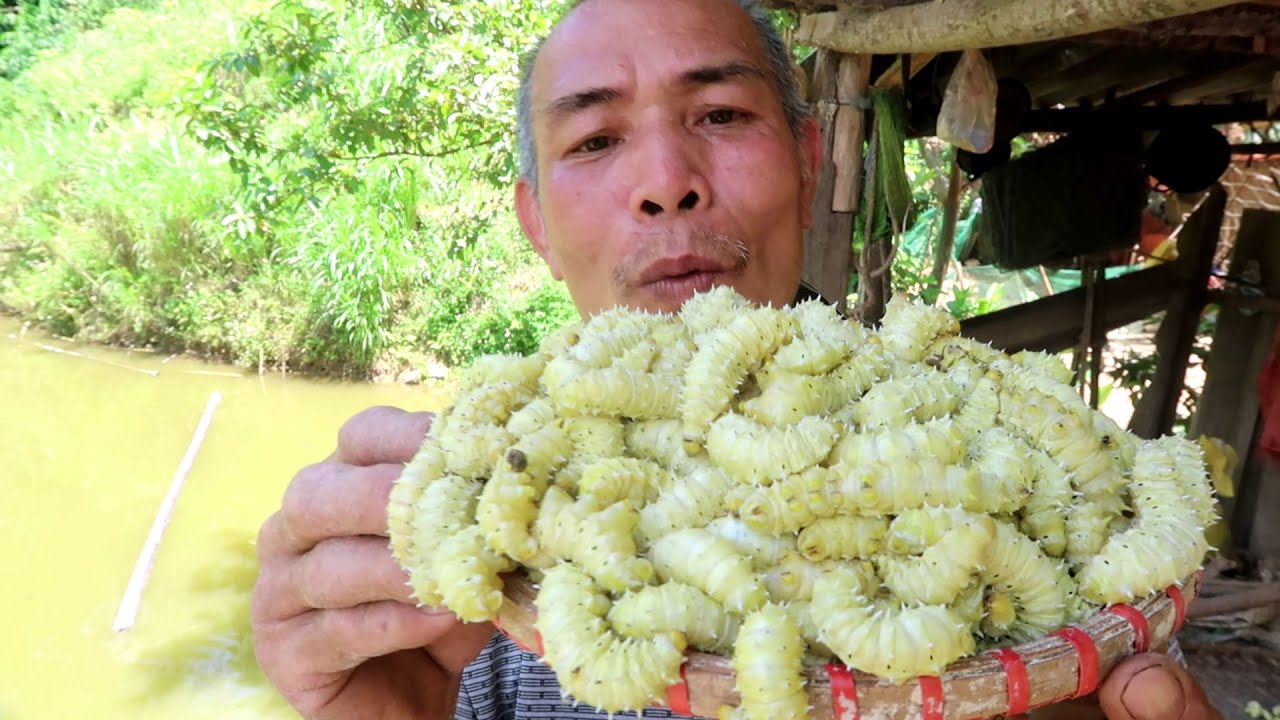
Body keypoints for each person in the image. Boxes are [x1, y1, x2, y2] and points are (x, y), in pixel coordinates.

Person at [250, 1, 1224, 718]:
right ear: (535, 222)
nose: (665, 183)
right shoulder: (468, 620)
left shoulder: (1046, 531)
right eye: (594, 138)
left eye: (719, 115)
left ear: (809, 163)